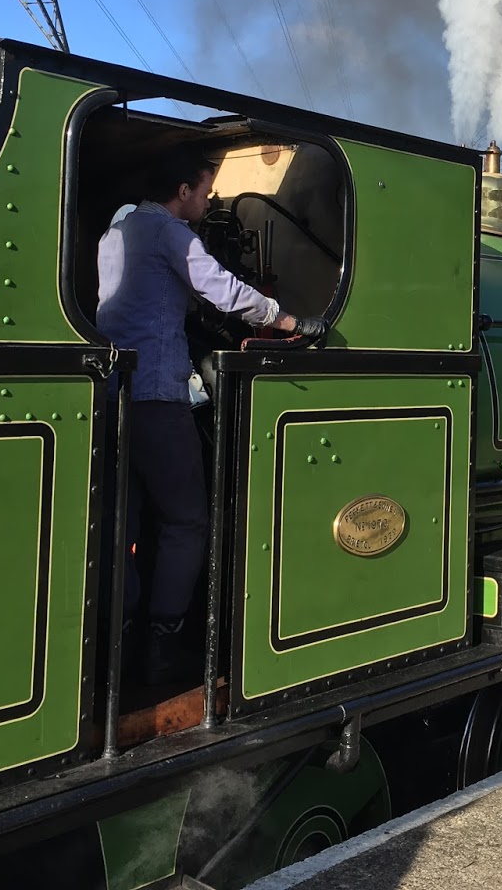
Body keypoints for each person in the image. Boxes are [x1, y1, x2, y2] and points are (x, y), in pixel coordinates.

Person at [97, 146, 326, 685]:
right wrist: (289, 319)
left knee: (123, 522)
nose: (208, 200)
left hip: (112, 393)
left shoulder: (115, 234)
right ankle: (164, 645)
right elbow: (221, 289)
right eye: (204, 190)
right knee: (186, 520)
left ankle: (117, 643)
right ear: (182, 191)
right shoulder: (170, 233)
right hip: (157, 393)